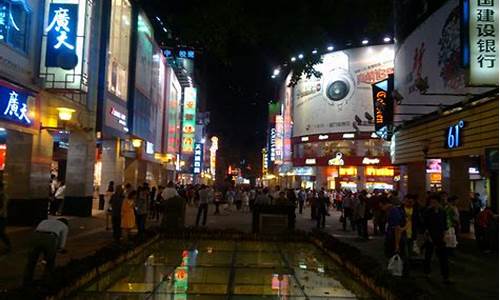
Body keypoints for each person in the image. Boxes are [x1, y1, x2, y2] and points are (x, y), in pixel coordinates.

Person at [23, 218, 69, 286]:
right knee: (50, 262)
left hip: (35, 236)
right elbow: (63, 238)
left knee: (31, 261)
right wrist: (61, 248)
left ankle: (26, 281)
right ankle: (46, 281)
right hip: (50, 238)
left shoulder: (45, 220)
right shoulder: (64, 226)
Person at [423, 194, 450, 284]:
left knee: (443, 257)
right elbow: (425, 226)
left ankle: (445, 276)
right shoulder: (427, 212)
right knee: (428, 256)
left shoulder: (442, 212)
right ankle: (427, 272)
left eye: (434, 202)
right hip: (431, 236)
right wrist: (428, 236)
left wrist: (445, 235)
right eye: (431, 202)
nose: (433, 204)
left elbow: (444, 225)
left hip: (440, 236)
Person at [0, 182, 11, 253]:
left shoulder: (4, 195)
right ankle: (8, 245)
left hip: (2, 217)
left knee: (1, 232)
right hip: (2, 216)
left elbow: (4, 207)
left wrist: (1, 213)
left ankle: (8, 245)